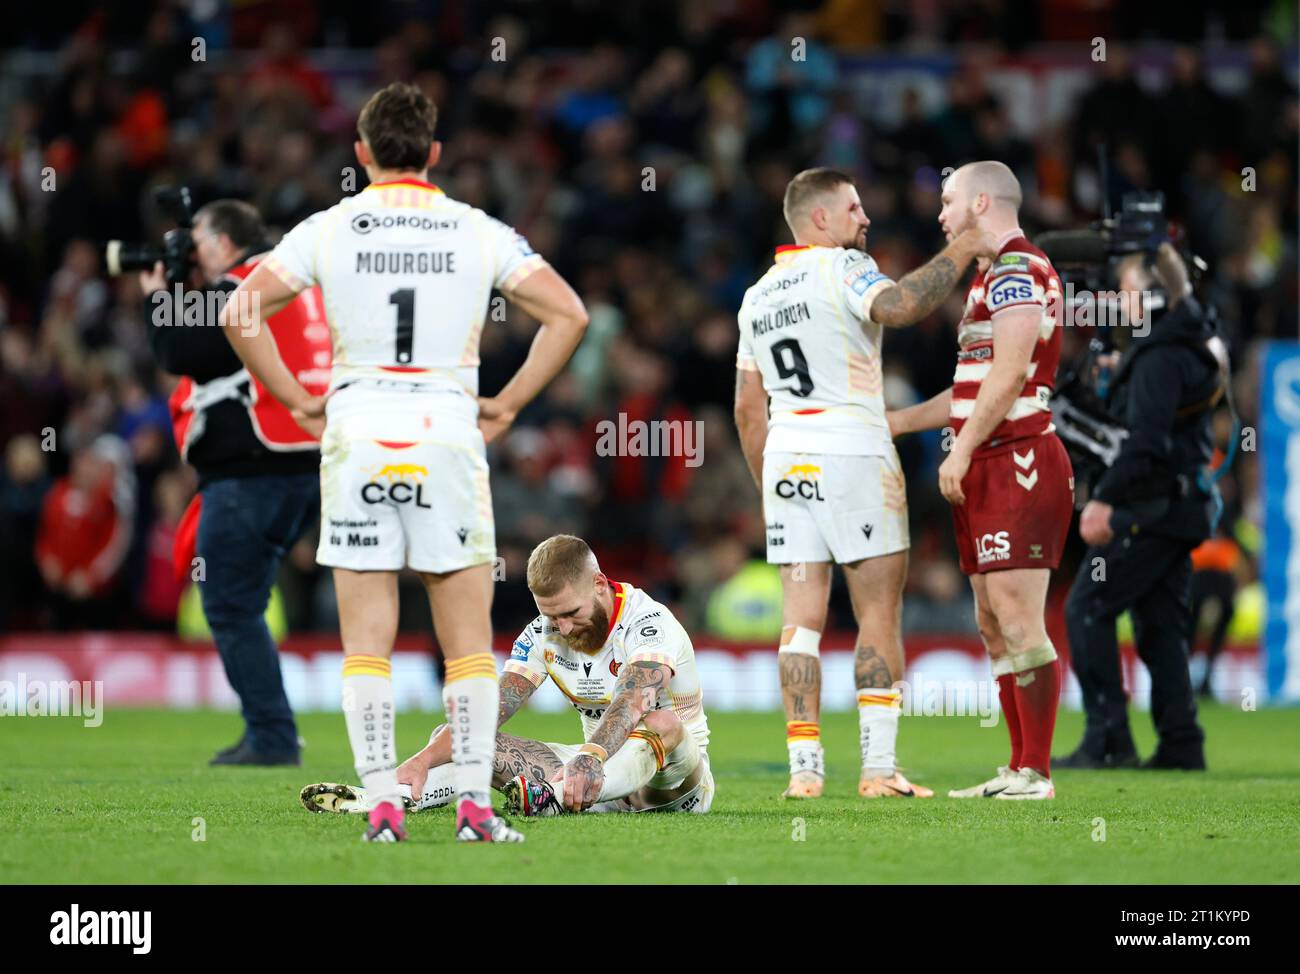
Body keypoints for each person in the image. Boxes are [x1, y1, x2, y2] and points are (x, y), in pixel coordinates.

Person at [221, 83, 588, 842]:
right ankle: (474, 811)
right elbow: (568, 314)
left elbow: (239, 310)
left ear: (361, 153)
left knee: (367, 642)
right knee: (466, 644)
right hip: (444, 431)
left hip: (357, 430)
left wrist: (297, 399)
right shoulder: (477, 229)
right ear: (436, 153)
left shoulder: (329, 227)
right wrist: (509, 403)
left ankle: (384, 805)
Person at [733, 166, 996, 799]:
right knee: (877, 611)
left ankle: (805, 771)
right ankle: (878, 769)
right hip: (852, 449)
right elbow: (900, 306)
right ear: (820, 218)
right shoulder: (844, 266)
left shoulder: (757, 296)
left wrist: (770, 483)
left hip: (787, 456)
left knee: (800, 621)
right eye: (854, 208)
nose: (866, 218)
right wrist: (966, 244)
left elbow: (746, 410)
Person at [887, 161, 1073, 800]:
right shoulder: (989, 278)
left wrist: (960, 451)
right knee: (993, 621)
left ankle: (1038, 773)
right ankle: (1019, 767)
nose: (942, 214)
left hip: (1019, 458)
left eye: (949, 201)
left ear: (982, 202)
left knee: (1019, 618)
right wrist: (898, 422)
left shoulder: (1018, 267)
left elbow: (1012, 373)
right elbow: (972, 388)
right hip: (988, 461)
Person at [299, 534, 713, 819]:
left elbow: (632, 700)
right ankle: (396, 796)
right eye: (551, 615)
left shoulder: (648, 622)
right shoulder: (543, 634)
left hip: (675, 786)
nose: (563, 627)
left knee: (661, 721)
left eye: (572, 613)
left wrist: (589, 758)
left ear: (600, 584)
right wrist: (421, 759)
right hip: (586, 780)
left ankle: (555, 795)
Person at [140, 198, 329, 766]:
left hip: (252, 471)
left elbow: (178, 350)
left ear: (223, 243)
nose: (189, 253)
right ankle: (274, 732)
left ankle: (272, 737)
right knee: (245, 597)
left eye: (195, 242)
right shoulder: (301, 283)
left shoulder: (241, 287)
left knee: (229, 602)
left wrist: (160, 294)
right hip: (309, 462)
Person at [1058, 244, 1221, 770]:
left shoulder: (1158, 356)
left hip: (1149, 509)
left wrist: (1104, 500)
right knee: (1159, 625)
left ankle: (1109, 739)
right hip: (1179, 506)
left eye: (1127, 291)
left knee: (1088, 608)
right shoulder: (1184, 343)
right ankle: (1181, 742)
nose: (1117, 302)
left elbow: (1145, 442)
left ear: (1152, 297)